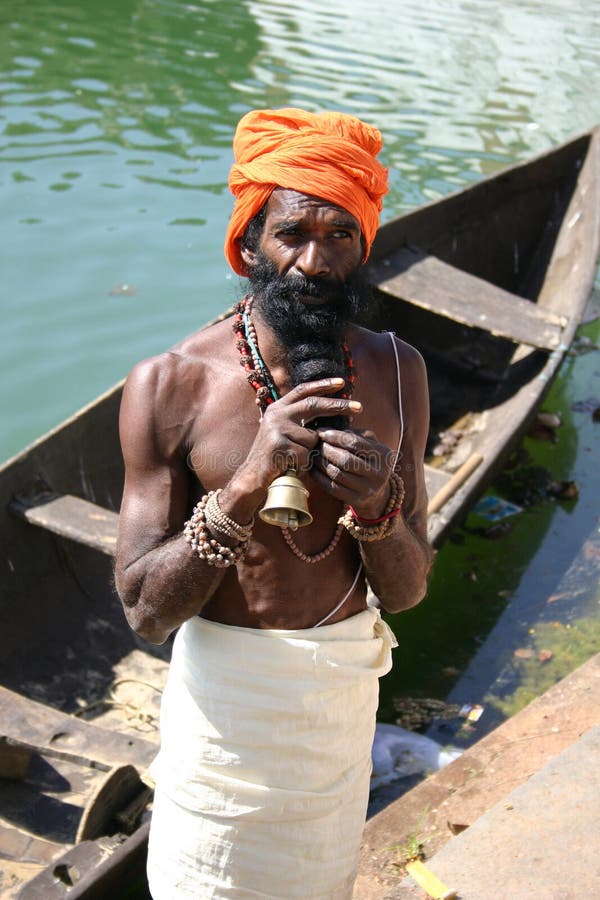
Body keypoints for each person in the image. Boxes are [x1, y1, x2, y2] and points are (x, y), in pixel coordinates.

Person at [115, 107, 433, 899]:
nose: (314, 262)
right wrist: (249, 481)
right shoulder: (171, 383)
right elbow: (145, 615)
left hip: (336, 712)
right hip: (223, 719)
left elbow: (409, 590)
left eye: (340, 236)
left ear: (364, 246)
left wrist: (380, 509)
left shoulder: (398, 372)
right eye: (292, 233)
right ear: (250, 240)